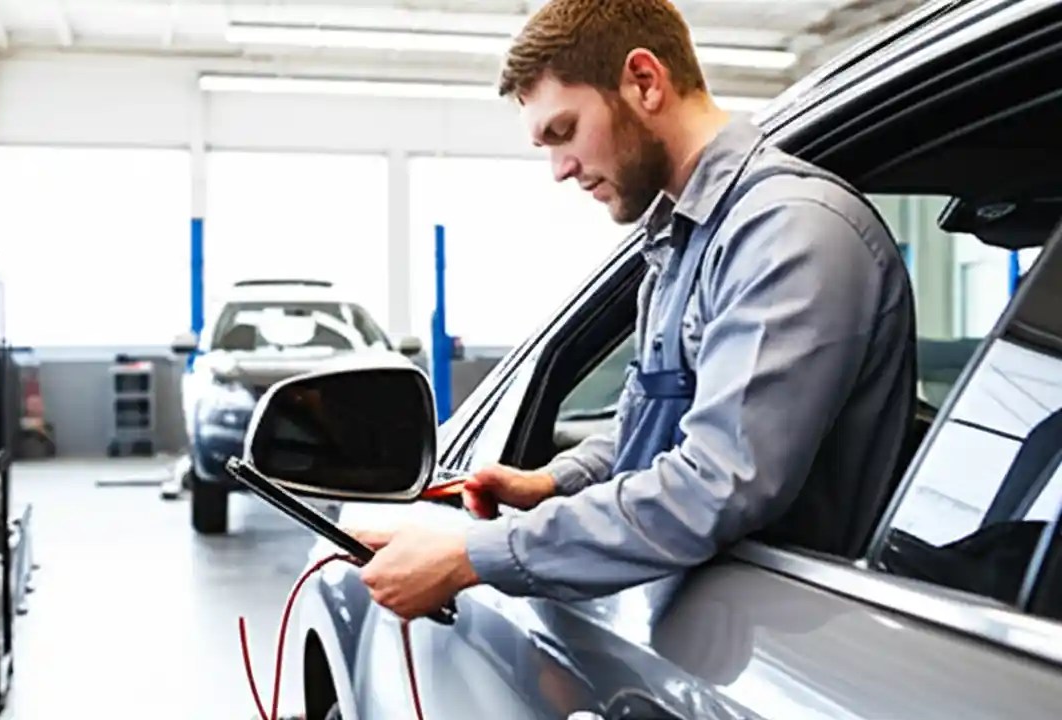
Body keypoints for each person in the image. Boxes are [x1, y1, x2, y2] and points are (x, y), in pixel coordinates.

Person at [350, 0, 916, 621]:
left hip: (795, 641)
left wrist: (471, 555)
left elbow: (714, 486)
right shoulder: (681, 241)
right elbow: (660, 421)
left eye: (563, 132)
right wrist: (555, 481)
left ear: (644, 82)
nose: (559, 170)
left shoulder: (788, 231)